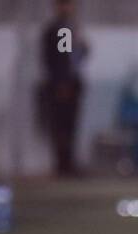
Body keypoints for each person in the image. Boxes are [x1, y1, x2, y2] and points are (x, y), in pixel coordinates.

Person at [40, 0, 89, 177]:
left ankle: (68, 161)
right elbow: (62, 60)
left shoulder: (70, 28)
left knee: (70, 125)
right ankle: (64, 163)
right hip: (63, 85)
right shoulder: (61, 29)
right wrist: (63, 82)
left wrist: (83, 47)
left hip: (71, 84)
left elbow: (73, 55)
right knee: (62, 126)